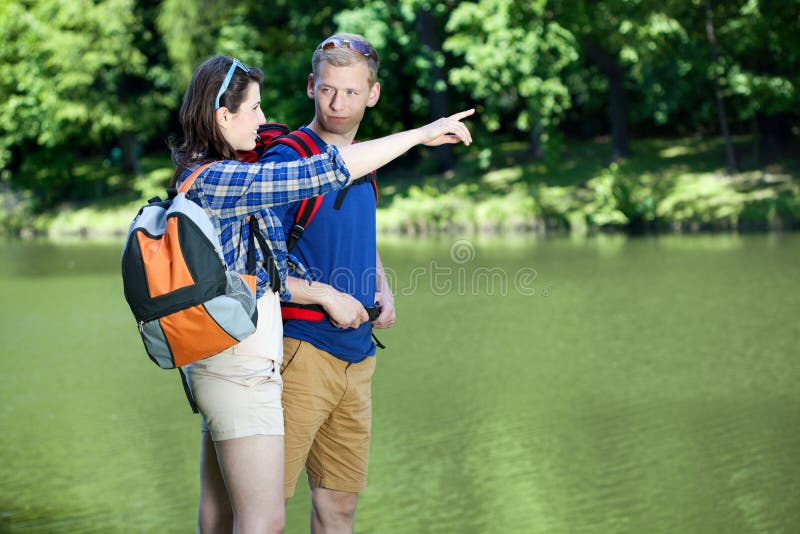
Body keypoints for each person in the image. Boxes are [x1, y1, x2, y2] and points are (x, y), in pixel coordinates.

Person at [172, 54, 473, 533]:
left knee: (243, 512)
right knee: (255, 517)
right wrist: (419, 135)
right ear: (223, 116)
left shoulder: (220, 173)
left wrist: (372, 283)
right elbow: (319, 175)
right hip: (248, 366)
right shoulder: (222, 179)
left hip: (256, 361)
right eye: (253, 108)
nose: (265, 120)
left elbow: (261, 267)